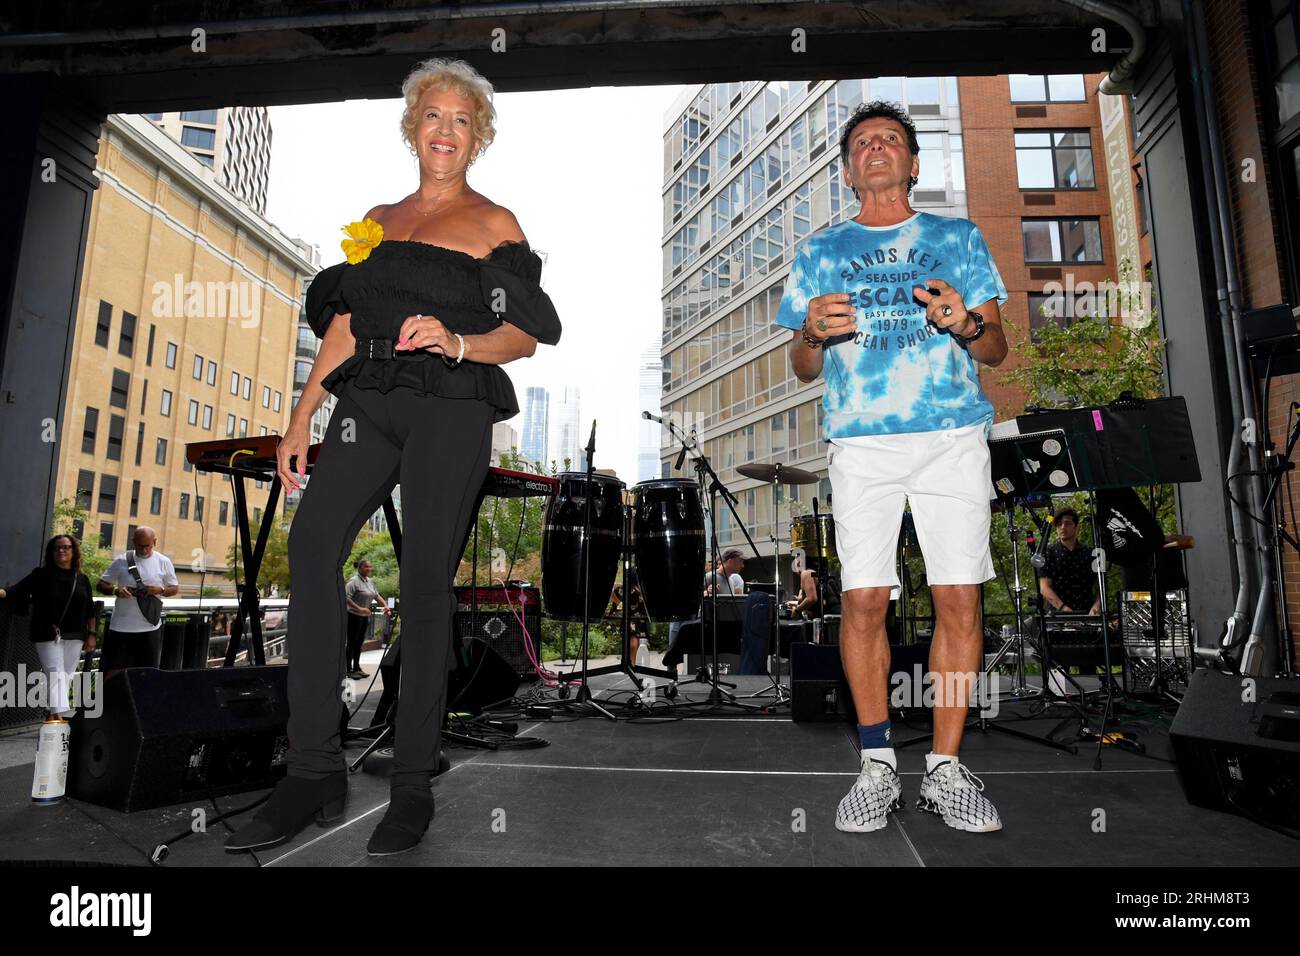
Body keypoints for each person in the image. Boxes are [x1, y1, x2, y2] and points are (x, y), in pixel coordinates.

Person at [225, 58, 560, 858]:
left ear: (477, 139)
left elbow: (524, 335)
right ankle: (311, 771)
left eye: (461, 121)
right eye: (433, 116)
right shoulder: (376, 219)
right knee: (311, 549)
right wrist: (302, 413)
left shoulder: (495, 223)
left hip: (451, 404)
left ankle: (411, 787)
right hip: (365, 400)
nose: (445, 130)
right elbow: (344, 322)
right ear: (412, 128)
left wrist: (459, 338)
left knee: (422, 587)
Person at [777, 100, 1009, 834]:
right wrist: (811, 331)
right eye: (862, 144)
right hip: (863, 443)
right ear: (849, 170)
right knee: (863, 602)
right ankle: (877, 766)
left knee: (959, 601)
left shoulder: (958, 237)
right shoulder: (820, 251)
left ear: (912, 162)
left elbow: (997, 347)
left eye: (891, 141)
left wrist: (965, 322)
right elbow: (803, 367)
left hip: (950, 437)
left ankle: (945, 768)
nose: (876, 149)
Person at [0, 535, 97, 716]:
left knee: (65, 676)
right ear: (51, 552)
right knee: (55, 674)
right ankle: (58, 720)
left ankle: (51, 712)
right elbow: (15, 590)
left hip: (75, 635)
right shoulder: (41, 575)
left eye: (66, 547)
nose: (61, 551)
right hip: (47, 633)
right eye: (57, 548)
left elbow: (90, 610)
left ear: (74, 551)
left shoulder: (81, 578)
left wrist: (92, 634)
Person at [96, 527, 179, 671]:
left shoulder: (163, 561)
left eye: (148, 546)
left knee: (147, 674)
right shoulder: (121, 560)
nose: (144, 549)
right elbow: (101, 584)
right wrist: (115, 590)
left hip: (150, 627)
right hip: (120, 627)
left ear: (154, 542)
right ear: (133, 542)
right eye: (140, 545)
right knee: (114, 673)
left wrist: (161, 590)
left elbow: (175, 588)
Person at [1038, 508, 1100, 615]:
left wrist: (1095, 609)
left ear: (1076, 527)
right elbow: (1044, 588)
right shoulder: (1048, 552)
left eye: (1067, 523)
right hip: (1058, 617)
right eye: (1059, 524)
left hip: (1088, 615)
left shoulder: (1091, 553)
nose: (1062, 527)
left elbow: (1102, 587)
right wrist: (1063, 609)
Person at [344, 558, 391, 678]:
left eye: (370, 566)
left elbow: (376, 595)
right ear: (359, 568)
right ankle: (348, 669)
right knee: (352, 643)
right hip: (353, 616)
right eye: (366, 567)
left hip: (364, 616)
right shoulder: (353, 582)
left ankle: (357, 667)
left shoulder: (369, 581)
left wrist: (385, 605)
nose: (369, 569)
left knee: (359, 643)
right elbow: (346, 598)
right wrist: (359, 609)